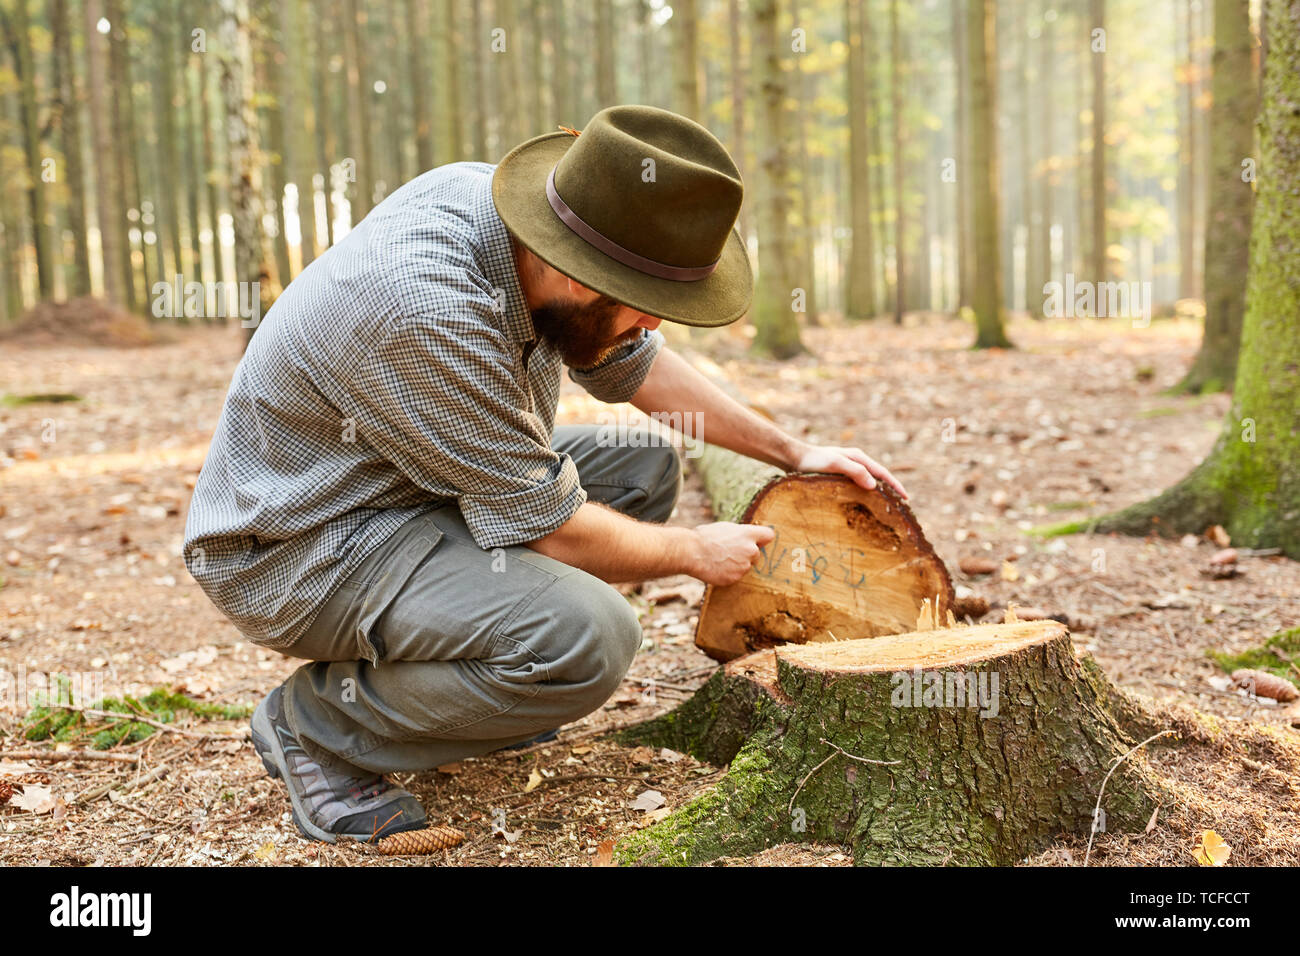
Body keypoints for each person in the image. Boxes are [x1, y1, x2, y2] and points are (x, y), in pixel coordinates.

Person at [182, 105, 907, 843]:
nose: (655, 324)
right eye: (646, 305)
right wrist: (695, 553)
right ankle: (318, 725)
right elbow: (551, 524)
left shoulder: (532, 235)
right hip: (305, 544)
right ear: (573, 268)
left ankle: (485, 679)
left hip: (401, 482)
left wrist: (794, 453)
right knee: (588, 640)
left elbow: (634, 362)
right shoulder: (426, 310)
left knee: (641, 473)